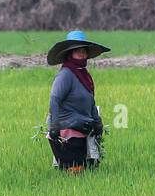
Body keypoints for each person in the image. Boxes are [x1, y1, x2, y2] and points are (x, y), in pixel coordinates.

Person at [46, 30, 110, 172]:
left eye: (83, 50)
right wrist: (55, 126)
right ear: (70, 53)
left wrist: (98, 121)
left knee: (89, 168)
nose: (81, 53)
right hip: (68, 130)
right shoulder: (66, 75)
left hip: (84, 128)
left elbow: (90, 100)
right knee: (75, 170)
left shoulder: (83, 75)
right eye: (77, 51)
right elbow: (54, 99)